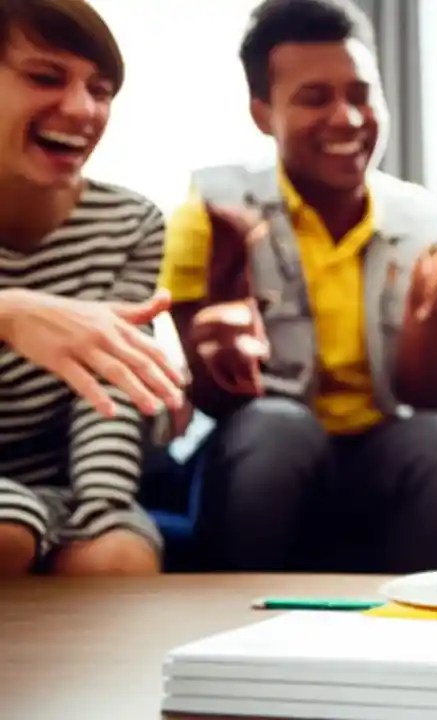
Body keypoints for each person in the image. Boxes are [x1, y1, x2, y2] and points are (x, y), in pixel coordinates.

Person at [159, 0, 437, 574]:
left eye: (361, 94)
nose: (348, 119)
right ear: (263, 113)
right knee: (278, 429)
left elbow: (433, 396)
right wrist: (228, 283)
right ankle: (239, 620)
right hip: (262, 449)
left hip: (377, 452)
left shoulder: (428, 224)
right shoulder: (210, 213)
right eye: (315, 98)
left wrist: (429, 321)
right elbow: (215, 398)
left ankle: (422, 623)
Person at [0, 0, 188, 577]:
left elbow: (108, 385)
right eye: (44, 77)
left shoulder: (130, 223)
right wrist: (11, 312)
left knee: (117, 556)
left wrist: (101, 510)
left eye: (101, 90)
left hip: (65, 486)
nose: (83, 109)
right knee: (7, 532)